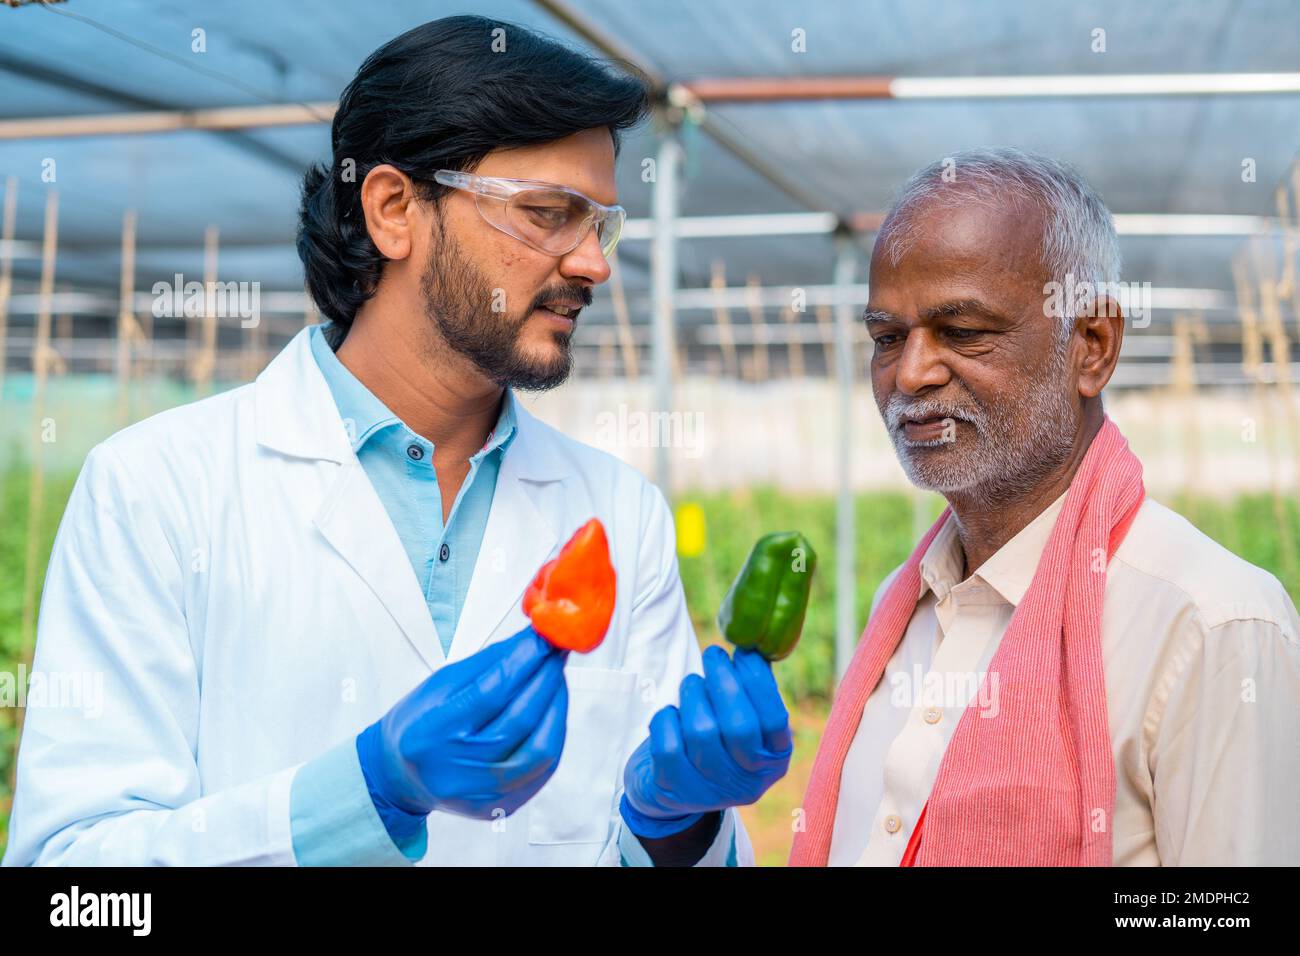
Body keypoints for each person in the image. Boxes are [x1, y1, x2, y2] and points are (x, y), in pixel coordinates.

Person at [3, 15, 790, 868]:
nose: (594, 263)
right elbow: (71, 881)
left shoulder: (620, 516)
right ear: (393, 210)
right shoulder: (157, 488)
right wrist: (366, 792)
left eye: (600, 223)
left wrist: (676, 827)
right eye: (548, 214)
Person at [791, 147, 1300, 866]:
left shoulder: (1210, 624)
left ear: (1092, 346)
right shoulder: (902, 610)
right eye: (886, 337)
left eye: (963, 332)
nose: (910, 373)